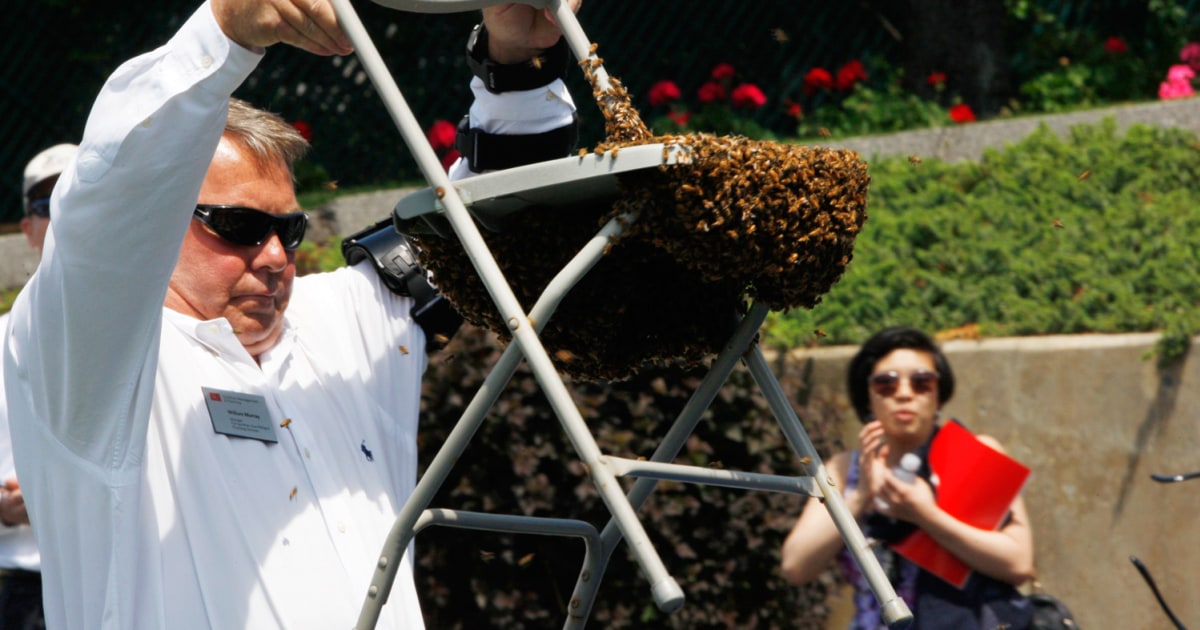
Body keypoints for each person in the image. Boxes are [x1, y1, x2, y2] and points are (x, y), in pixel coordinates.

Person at [3, 1, 575, 628]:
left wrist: (517, 61)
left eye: (289, 228)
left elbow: (488, 228)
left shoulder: (336, 325)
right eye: (240, 226)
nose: (276, 256)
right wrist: (222, 30)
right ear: (159, 225)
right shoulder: (85, 363)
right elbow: (107, 207)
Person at [779, 326, 1036, 629]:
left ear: (939, 395)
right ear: (868, 397)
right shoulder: (843, 468)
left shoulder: (971, 453)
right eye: (886, 384)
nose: (904, 393)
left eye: (921, 382)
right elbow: (795, 567)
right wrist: (861, 495)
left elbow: (1019, 564)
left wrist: (926, 515)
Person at [0, 144, 76, 630]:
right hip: (36, 593)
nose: (67, 214)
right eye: (49, 205)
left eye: (81, 195)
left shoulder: (176, 326)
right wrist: (5, 509)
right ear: (27, 230)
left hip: (149, 572)